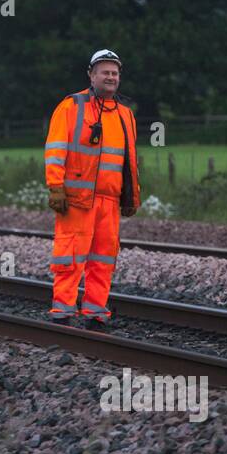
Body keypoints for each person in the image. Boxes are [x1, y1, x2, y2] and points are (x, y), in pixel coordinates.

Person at [44, 49, 141, 329]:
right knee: (70, 256)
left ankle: (95, 311)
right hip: (76, 199)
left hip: (110, 202)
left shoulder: (125, 115)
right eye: (105, 72)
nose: (111, 77)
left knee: (103, 259)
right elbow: (55, 149)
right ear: (91, 75)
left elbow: (129, 161)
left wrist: (131, 195)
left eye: (115, 73)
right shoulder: (71, 107)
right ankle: (62, 310)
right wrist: (56, 187)